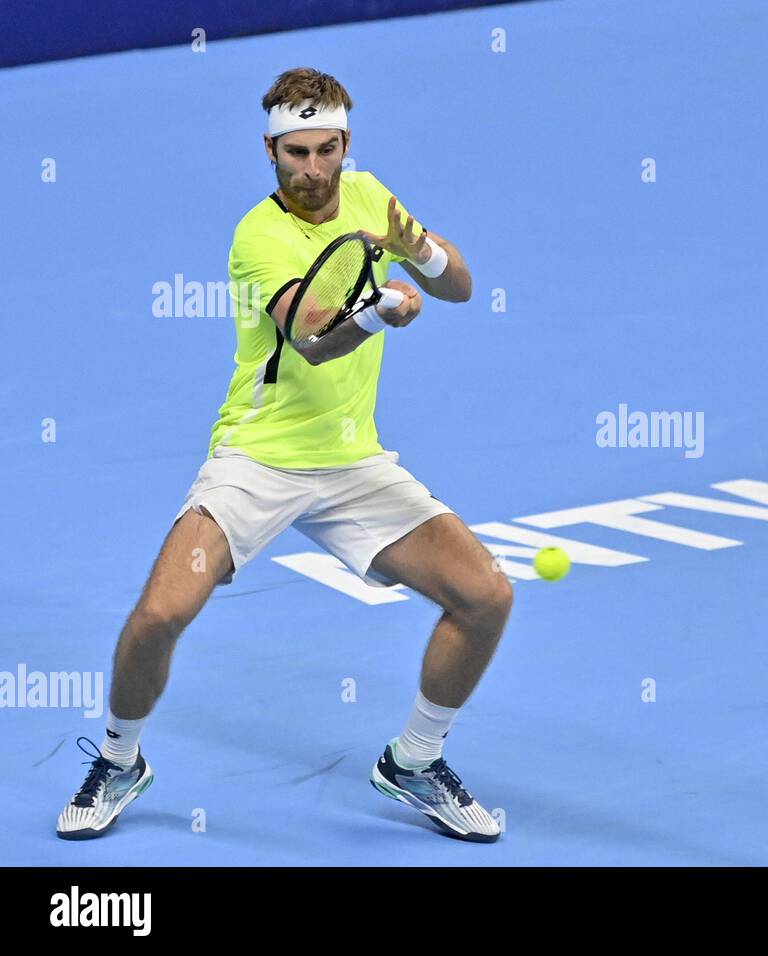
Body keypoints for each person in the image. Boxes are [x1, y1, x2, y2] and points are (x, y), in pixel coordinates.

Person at [56, 67, 511, 844]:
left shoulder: (372, 196)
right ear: (269, 151)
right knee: (160, 613)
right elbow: (310, 335)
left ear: (346, 145)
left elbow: (461, 286)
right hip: (257, 460)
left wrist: (422, 252)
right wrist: (377, 314)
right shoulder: (257, 235)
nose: (310, 169)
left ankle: (415, 760)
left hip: (353, 462)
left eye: (324, 151)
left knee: (486, 597)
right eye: (293, 153)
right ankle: (119, 758)